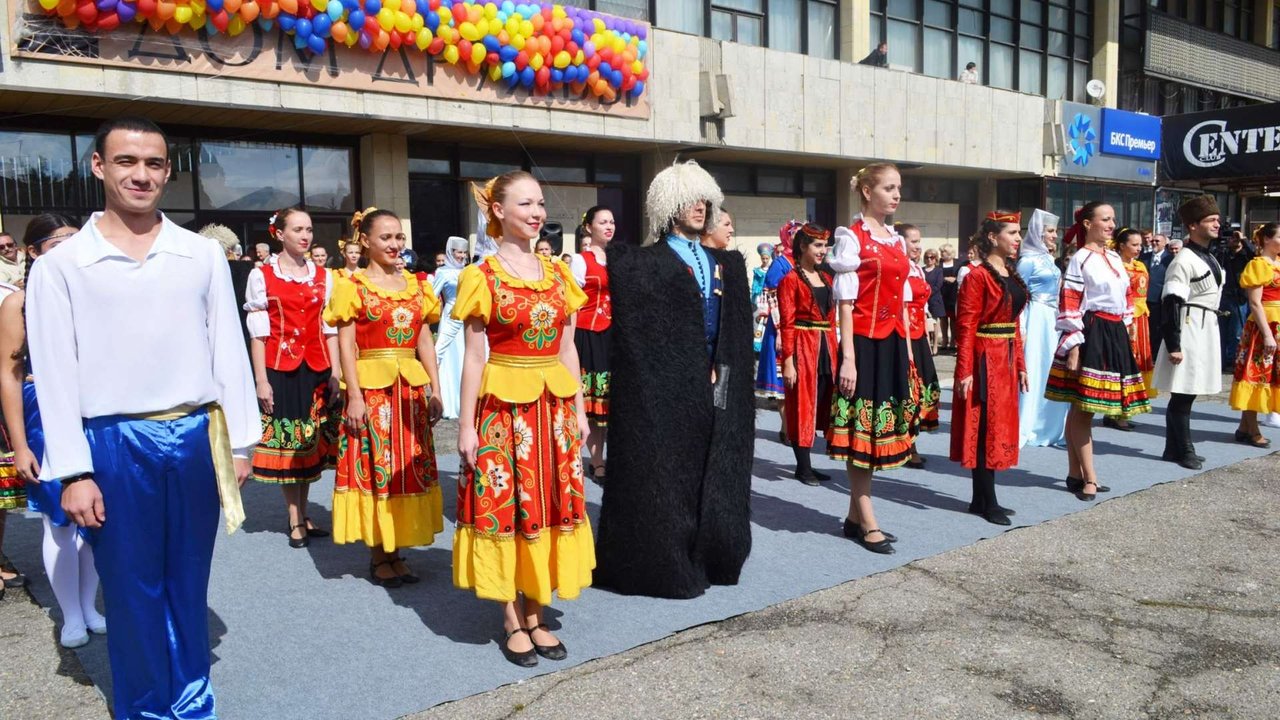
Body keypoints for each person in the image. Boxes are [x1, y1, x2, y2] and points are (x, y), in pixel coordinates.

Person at [26, 116, 258, 719]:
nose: (141, 174)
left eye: (154, 163)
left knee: (187, 581)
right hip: (112, 441)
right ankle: (146, 709)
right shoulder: (61, 267)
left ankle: (191, 701)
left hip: (192, 436)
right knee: (130, 591)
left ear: (168, 172)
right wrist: (73, 471)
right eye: (127, 161)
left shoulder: (200, 254)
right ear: (100, 167)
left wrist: (240, 443)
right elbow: (53, 375)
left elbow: (226, 349)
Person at [594, 160, 754, 598]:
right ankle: (664, 557)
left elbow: (732, 325)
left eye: (705, 199)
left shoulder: (724, 262)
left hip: (717, 380)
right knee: (667, 470)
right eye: (689, 200)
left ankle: (712, 550)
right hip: (665, 387)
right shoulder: (641, 263)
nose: (700, 207)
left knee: (713, 464)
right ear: (668, 205)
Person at [452, 171, 593, 666]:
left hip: (553, 410)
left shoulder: (558, 274)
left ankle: (537, 609)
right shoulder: (482, 276)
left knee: (550, 505)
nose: (536, 212)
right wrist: (466, 426)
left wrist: (578, 409)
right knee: (508, 507)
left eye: (539, 204)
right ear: (497, 210)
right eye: (525, 203)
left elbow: (569, 348)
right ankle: (512, 617)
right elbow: (473, 357)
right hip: (503, 413)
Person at [323, 208, 444, 586]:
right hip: (373, 392)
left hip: (409, 391)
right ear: (366, 242)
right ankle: (379, 554)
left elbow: (424, 338)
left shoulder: (416, 285)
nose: (394, 245)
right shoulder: (352, 286)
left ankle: (396, 549)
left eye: (399, 238)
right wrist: (353, 395)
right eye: (386, 238)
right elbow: (346, 345)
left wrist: (436, 388)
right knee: (379, 467)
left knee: (405, 467)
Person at [0, 213, 105, 648]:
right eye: (57, 244)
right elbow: (8, 372)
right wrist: (19, 443)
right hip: (41, 415)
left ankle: (91, 604)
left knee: (96, 519)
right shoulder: (17, 303)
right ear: (34, 252)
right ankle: (71, 616)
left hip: (94, 414)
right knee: (58, 521)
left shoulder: (95, 294)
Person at [828, 164, 913, 554]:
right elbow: (846, 303)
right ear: (866, 190)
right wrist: (848, 357)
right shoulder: (852, 237)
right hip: (863, 344)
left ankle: (852, 518)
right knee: (861, 436)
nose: (896, 195)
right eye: (888, 188)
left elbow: (904, 302)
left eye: (898, 188)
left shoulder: (894, 240)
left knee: (878, 432)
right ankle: (869, 520)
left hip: (891, 343)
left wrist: (909, 351)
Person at [243, 207, 340, 548]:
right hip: (280, 367)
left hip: (315, 366)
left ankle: (304, 512)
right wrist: (260, 380)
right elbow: (258, 334)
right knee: (288, 441)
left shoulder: (324, 276)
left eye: (309, 229)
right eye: (298, 229)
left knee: (309, 441)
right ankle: (294, 515)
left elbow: (330, 327)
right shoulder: (262, 276)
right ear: (280, 234)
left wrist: (337, 370)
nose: (305, 235)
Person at [1045, 202, 1150, 499]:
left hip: (1113, 333)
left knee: (1084, 409)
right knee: (1084, 408)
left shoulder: (1115, 257)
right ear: (1088, 224)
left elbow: (1127, 294)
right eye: (1105, 219)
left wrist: (1128, 325)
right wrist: (1074, 345)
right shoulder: (1081, 258)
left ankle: (1074, 473)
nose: (1111, 224)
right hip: (1091, 332)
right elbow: (1069, 302)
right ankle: (1090, 477)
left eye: (1113, 219)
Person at [951, 212, 1028, 526]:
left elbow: (1014, 324)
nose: (1018, 238)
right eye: (1012, 232)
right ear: (993, 237)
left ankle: (980, 499)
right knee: (985, 428)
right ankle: (987, 500)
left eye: (1019, 232)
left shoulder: (1010, 272)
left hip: (1006, 359)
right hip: (985, 359)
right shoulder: (976, 276)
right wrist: (964, 371)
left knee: (997, 427)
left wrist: (1021, 365)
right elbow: (966, 326)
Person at [1152, 197, 1226, 470]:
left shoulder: (1207, 255)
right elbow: (1170, 301)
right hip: (1189, 327)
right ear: (1193, 226)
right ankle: (1183, 449)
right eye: (1211, 220)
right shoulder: (1183, 260)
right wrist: (1174, 343)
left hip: (1204, 326)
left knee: (1188, 391)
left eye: (1217, 219)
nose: (1217, 224)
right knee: (1183, 392)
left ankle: (1174, 448)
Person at [778, 223, 838, 486]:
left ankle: (810, 463)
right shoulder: (789, 280)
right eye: (817, 245)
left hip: (826, 347)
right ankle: (803, 468)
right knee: (802, 405)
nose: (823, 251)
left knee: (822, 402)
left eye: (824, 246)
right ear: (803, 246)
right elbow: (787, 323)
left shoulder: (827, 278)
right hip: (803, 346)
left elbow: (834, 317)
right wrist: (788, 362)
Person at [570, 206, 615, 483]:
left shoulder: (619, 258)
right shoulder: (580, 260)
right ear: (589, 227)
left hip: (614, 336)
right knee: (589, 404)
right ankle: (595, 461)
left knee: (608, 404)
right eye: (603, 222)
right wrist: (569, 343)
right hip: (588, 335)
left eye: (612, 222)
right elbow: (572, 304)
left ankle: (605, 457)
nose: (609, 226)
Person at [1016, 209, 1068, 447]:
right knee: (1036, 366)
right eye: (1049, 231)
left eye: (1054, 231)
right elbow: (1018, 296)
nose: (1054, 236)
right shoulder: (1027, 261)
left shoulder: (1048, 259)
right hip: (1036, 316)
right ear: (1038, 233)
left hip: (1052, 318)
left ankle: (1050, 424)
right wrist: (1022, 328)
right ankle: (1028, 423)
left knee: (1050, 368)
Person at [1227, 223, 1280, 447]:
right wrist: (1267, 334)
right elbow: (1255, 303)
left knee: (1268, 377)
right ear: (1267, 239)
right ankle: (1253, 429)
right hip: (1263, 326)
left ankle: (1243, 427)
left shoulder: (1278, 264)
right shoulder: (1258, 265)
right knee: (1256, 375)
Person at [1105, 228, 1153, 432]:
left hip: (1141, 317)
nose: (1138, 249)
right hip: (1127, 316)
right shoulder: (1116, 266)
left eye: (1140, 245)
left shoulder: (1140, 265)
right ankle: (1116, 412)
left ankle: (1125, 410)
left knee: (1138, 361)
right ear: (1122, 245)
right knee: (1124, 362)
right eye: (1134, 245)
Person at [756, 221, 802, 437]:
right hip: (781, 328)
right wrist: (781, 330)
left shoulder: (806, 261)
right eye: (796, 235)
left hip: (802, 328)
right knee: (784, 383)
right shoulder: (780, 263)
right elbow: (772, 297)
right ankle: (787, 428)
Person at [900, 223, 940, 467]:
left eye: (918, 241)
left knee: (923, 388)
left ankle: (911, 442)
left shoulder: (916, 269)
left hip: (918, 336)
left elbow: (922, 305)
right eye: (913, 241)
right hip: (904, 336)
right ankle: (907, 445)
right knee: (908, 390)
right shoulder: (899, 269)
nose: (918, 246)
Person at [432, 236, 469, 420]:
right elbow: (432, 295)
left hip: (467, 319)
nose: (461, 256)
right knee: (450, 357)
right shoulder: (443, 273)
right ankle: (449, 403)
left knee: (466, 357)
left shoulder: (470, 271)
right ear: (451, 252)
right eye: (458, 252)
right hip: (450, 316)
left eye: (464, 252)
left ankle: (466, 403)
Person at [1216, 228, 1255, 368]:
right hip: (1223, 297)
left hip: (1239, 298)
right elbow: (1214, 260)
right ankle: (1220, 361)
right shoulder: (1224, 254)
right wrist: (1223, 245)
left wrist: (1243, 239)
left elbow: (1255, 254)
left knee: (1237, 332)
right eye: (1231, 238)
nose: (1233, 240)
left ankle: (1235, 361)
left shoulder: (1245, 255)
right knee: (1221, 331)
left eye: (1234, 238)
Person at [1140, 233, 1172, 357]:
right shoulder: (1144, 257)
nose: (1154, 243)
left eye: (1157, 241)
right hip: (1143, 299)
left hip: (1159, 300)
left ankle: (1154, 354)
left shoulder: (1169, 259)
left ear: (1164, 243)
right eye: (1153, 241)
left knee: (1156, 328)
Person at [922, 247, 945, 354]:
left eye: (932, 257)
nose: (929, 259)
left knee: (935, 324)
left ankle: (935, 346)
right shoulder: (921, 270)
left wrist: (928, 293)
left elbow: (938, 285)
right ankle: (927, 345)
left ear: (936, 259)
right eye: (927, 257)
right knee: (925, 323)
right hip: (923, 299)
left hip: (934, 300)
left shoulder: (938, 271)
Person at [752, 243, 774, 354]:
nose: (765, 260)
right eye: (763, 258)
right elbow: (755, 284)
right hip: (760, 299)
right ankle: (757, 344)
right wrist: (756, 290)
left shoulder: (772, 270)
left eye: (766, 258)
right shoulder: (757, 271)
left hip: (769, 298)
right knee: (758, 321)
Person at [939, 244, 959, 352]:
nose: (942, 254)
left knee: (953, 319)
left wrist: (955, 279)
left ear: (950, 253)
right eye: (941, 252)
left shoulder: (958, 263)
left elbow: (961, 276)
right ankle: (944, 339)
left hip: (953, 294)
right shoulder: (939, 264)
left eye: (944, 252)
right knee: (943, 318)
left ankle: (953, 341)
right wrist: (945, 278)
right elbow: (936, 276)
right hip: (942, 294)